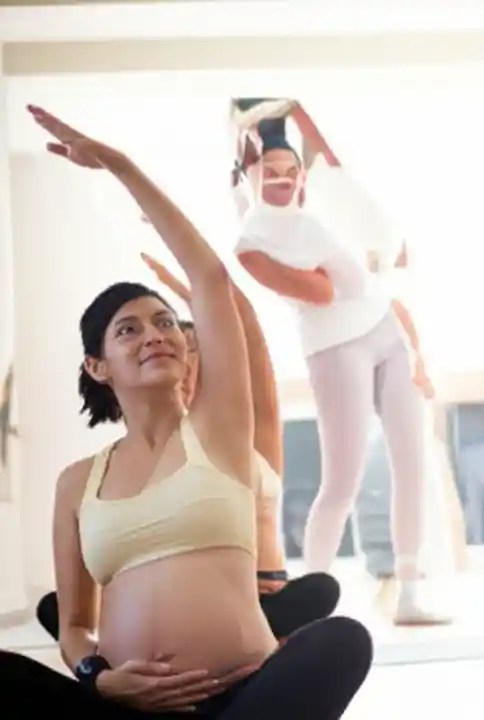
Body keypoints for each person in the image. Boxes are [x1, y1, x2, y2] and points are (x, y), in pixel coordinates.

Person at [0, 105, 371, 718]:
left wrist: (119, 166)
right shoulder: (77, 483)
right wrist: (97, 678)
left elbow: (210, 280)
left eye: (165, 321)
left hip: (239, 694)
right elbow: (71, 627)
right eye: (129, 330)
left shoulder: (218, 429)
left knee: (342, 640)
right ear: (98, 366)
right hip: (127, 706)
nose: (156, 334)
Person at [33, 253, 340, 642]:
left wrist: (203, 290)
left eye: (196, 352)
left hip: (260, 598)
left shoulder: (236, 433)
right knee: (58, 607)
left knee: (320, 593)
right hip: (164, 605)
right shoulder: (112, 469)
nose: (188, 362)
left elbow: (252, 351)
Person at [229, 98, 450, 624]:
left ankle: (411, 594)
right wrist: (349, 266)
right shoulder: (252, 241)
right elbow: (330, 291)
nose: (282, 179)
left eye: (290, 170)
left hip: (385, 332)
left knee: (412, 462)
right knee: (342, 480)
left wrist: (293, 108)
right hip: (335, 350)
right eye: (269, 173)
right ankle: (311, 607)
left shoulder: (318, 215)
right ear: (250, 178)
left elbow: (358, 279)